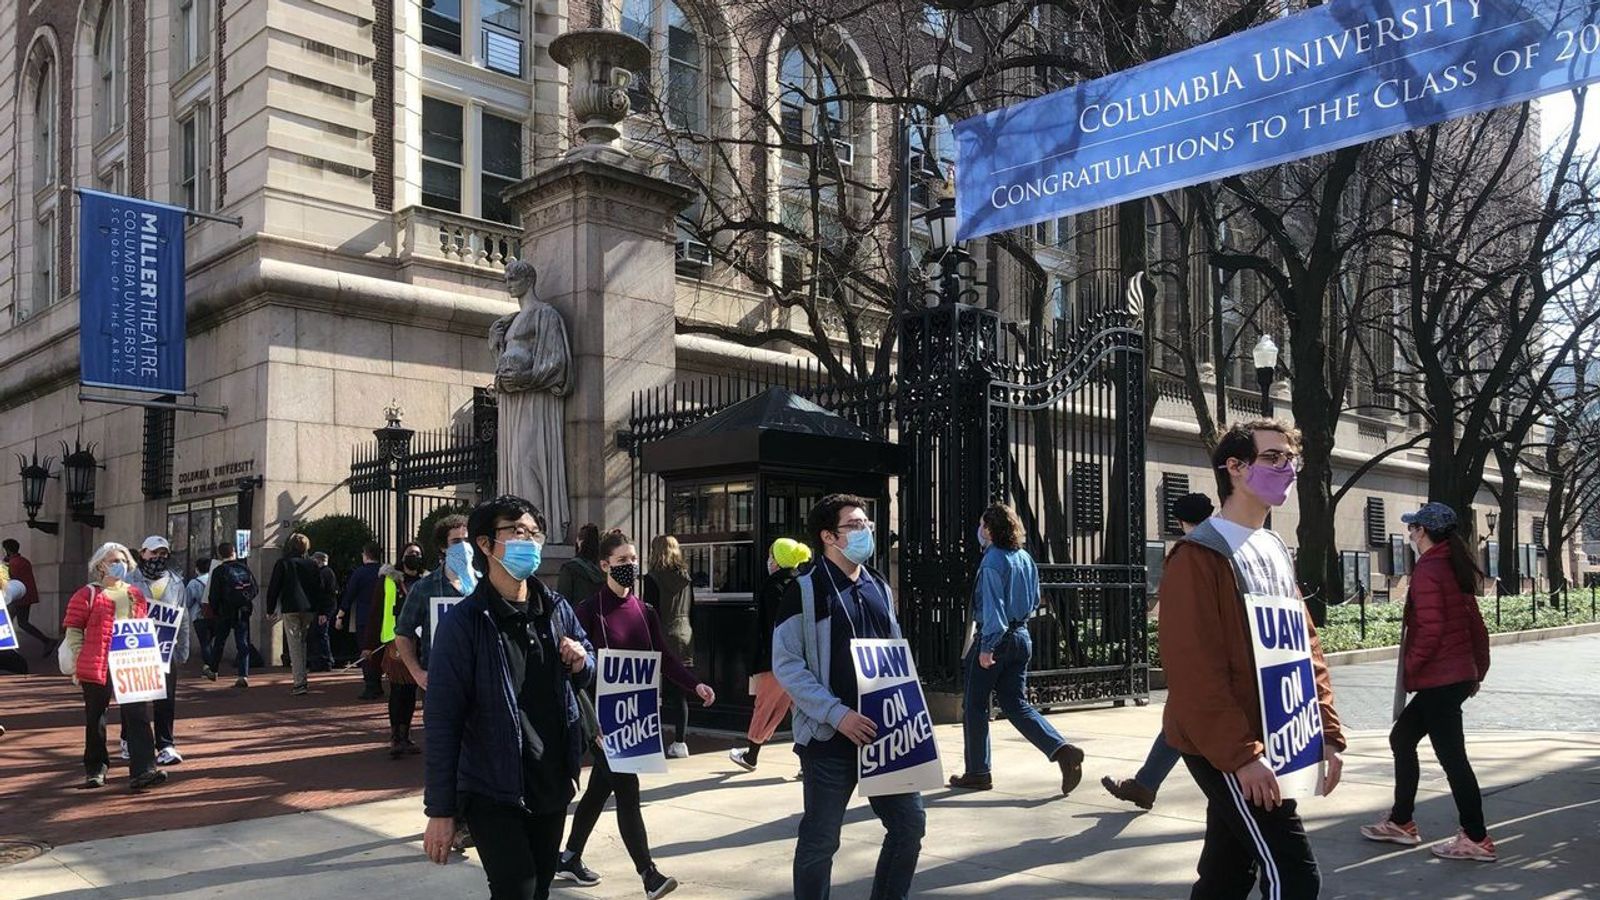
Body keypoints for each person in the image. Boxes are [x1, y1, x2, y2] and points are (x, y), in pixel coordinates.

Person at [1162, 420, 1346, 900]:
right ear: (1235, 468)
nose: (1287, 469)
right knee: (1296, 877)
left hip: (1273, 737)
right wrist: (1243, 757)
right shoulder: (1197, 555)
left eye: (1291, 459)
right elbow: (1193, 669)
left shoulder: (1273, 548)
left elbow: (1304, 647)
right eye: (1273, 458)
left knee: (1227, 874)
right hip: (1226, 746)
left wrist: (1325, 731)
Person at [422, 495, 595, 900]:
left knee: (540, 888)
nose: (529, 542)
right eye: (517, 532)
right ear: (485, 544)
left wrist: (582, 661)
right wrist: (440, 811)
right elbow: (443, 722)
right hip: (492, 786)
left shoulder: (556, 609)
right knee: (516, 889)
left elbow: (590, 670)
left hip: (550, 777)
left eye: (535, 533)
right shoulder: (464, 625)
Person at [773, 494, 924, 900]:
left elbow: (894, 653)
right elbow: (787, 666)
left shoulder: (878, 586)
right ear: (828, 537)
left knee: (910, 825)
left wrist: (911, 714)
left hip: (886, 733)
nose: (866, 532)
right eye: (855, 526)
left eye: (868, 525)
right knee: (821, 842)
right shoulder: (805, 591)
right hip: (830, 738)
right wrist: (837, 715)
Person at [558, 529, 713, 898]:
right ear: (604, 565)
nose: (629, 565)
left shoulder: (645, 611)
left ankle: (569, 856)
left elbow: (665, 659)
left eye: (633, 559)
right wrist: (590, 722)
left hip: (636, 717)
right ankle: (649, 874)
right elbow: (571, 673)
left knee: (599, 789)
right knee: (627, 789)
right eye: (622, 560)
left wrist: (695, 685)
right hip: (601, 720)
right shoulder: (588, 611)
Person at [1360, 501, 1495, 861]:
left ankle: (1476, 838)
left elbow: (1432, 631)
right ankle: (1402, 821)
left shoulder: (1430, 569)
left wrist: (1411, 670)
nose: (1409, 534)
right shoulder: (1454, 565)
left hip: (1439, 677)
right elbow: (1475, 626)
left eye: (1412, 528)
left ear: (1423, 531)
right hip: (1453, 675)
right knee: (1402, 737)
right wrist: (1476, 670)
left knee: (1452, 759)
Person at [949, 502, 1086, 794]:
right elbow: (1035, 598)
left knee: (974, 705)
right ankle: (1062, 750)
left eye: (982, 525)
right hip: (1022, 636)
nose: (980, 530)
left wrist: (987, 647)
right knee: (1015, 703)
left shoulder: (992, 561)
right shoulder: (1024, 557)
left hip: (995, 639)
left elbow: (993, 606)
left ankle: (978, 771)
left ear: (989, 529)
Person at [1103, 491, 1215, 810]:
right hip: (1210, 658)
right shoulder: (1224, 546)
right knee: (1179, 723)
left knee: (1193, 725)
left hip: (1199, 659)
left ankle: (1147, 785)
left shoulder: (1190, 552)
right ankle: (1146, 784)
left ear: (1180, 522)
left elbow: (1181, 613)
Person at [63, 543, 166, 792]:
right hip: (97, 663)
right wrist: (78, 662)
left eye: (122, 559)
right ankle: (96, 768)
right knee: (96, 717)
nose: (118, 564)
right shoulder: (86, 594)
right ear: (100, 565)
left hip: (130, 664)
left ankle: (143, 770)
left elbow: (140, 627)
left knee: (138, 715)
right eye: (112, 560)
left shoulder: (134, 594)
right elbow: (74, 630)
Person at [729, 537, 811, 773]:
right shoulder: (802, 583)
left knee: (765, 706)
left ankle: (751, 756)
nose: (768, 560)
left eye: (771, 555)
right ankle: (807, 764)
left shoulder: (773, 586)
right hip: (801, 659)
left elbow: (769, 626)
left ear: (777, 560)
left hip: (776, 659)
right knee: (802, 711)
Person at [126, 536, 191, 766]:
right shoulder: (127, 580)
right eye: (154, 553)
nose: (158, 558)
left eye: (163, 554)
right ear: (143, 553)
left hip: (165, 650)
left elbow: (182, 616)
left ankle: (165, 744)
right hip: (135, 647)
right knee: (135, 697)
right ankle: (129, 738)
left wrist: (183, 648)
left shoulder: (176, 582)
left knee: (166, 698)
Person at [363, 543, 426, 753]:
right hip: (395, 642)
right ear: (402, 556)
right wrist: (369, 645)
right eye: (410, 554)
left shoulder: (426, 581)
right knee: (398, 690)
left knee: (410, 691)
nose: (414, 557)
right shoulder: (389, 580)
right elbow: (375, 612)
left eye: (417, 554)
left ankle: (406, 734)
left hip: (420, 643)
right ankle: (396, 736)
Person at [642, 534, 696, 758]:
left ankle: (650, 739)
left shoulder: (652, 579)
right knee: (679, 694)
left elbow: (649, 611)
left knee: (649, 691)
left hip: (660, 635)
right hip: (684, 634)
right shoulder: (686, 579)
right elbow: (694, 609)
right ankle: (680, 741)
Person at [266, 533, 330, 696]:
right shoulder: (312, 564)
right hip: (309, 608)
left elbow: (274, 587)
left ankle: (299, 682)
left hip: (291, 607)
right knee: (302, 642)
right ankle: (301, 678)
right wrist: (322, 610)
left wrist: (270, 608)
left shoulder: (283, 563)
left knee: (295, 644)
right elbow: (320, 589)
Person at [205, 540, 259, 688]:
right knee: (242, 643)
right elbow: (255, 589)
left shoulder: (219, 571)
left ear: (219, 554)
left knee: (220, 642)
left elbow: (213, 595)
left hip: (225, 611)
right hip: (242, 611)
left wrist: (215, 610)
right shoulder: (244, 568)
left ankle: (214, 670)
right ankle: (243, 674)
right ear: (233, 552)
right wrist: (245, 601)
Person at [338, 542, 384, 698]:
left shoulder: (359, 573)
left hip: (364, 616)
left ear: (366, 554)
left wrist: (341, 614)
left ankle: (370, 685)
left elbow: (350, 594)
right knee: (379, 650)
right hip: (383, 618)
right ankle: (377, 683)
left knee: (365, 650)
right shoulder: (384, 572)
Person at [2, 538, 56, 657]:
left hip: (18, 597)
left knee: (7, 622)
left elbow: (10, 579)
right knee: (21, 622)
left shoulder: (14, 563)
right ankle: (46, 641)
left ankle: (7, 649)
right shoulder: (23, 560)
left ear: (7, 550)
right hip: (26, 596)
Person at [557, 523, 606, 608]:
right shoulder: (604, 567)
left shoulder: (570, 568)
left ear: (580, 542)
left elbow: (563, 601)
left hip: (577, 617)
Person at [308, 552, 338, 672]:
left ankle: (325, 660)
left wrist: (323, 612)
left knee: (320, 635)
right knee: (320, 634)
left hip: (324, 609)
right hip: (327, 608)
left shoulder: (323, 573)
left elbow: (322, 594)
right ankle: (324, 660)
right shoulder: (328, 572)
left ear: (318, 561)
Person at [187, 557, 214, 672]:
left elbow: (187, 601)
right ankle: (213, 663)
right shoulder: (215, 579)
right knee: (212, 641)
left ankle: (210, 666)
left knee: (205, 642)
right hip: (216, 615)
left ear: (197, 569)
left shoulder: (194, 583)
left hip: (199, 616)